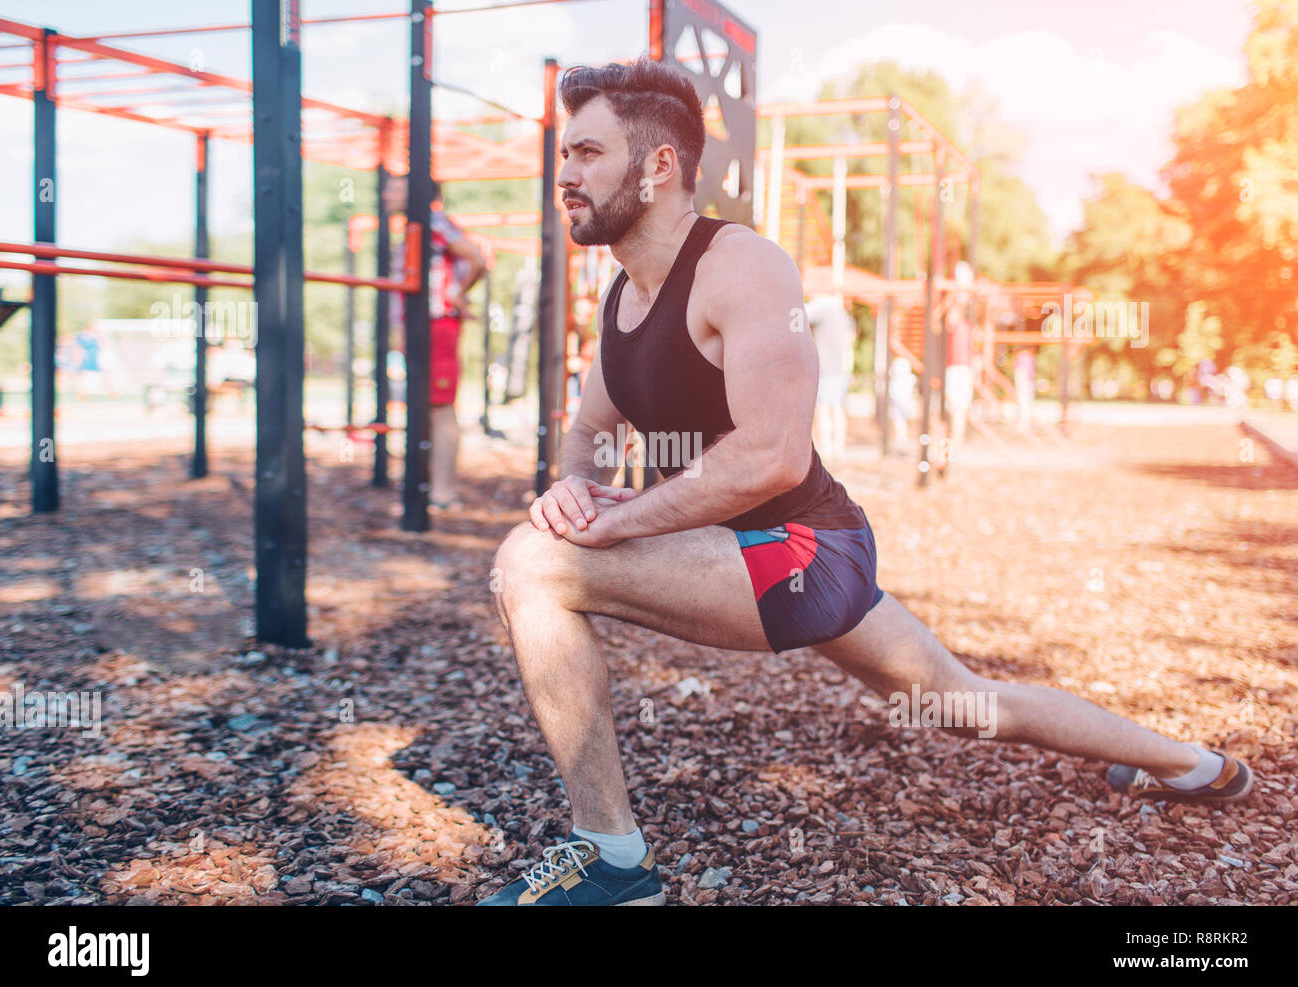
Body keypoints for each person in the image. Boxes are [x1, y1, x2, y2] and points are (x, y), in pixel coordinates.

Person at [476, 58, 1253, 907]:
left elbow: (771, 457)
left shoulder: (742, 267)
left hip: (810, 550)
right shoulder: (626, 293)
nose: (566, 174)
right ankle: (1195, 765)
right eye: (564, 154)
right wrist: (577, 490)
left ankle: (616, 866)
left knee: (534, 565)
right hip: (738, 550)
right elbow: (589, 430)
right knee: (965, 704)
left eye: (588, 152)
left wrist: (621, 525)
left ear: (659, 165)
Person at [384, 177, 487, 510]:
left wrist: (457, 295)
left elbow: (475, 258)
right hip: (421, 325)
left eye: (396, 187)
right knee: (424, 405)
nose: (387, 193)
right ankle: (424, 485)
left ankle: (443, 492)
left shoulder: (433, 223)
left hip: (437, 324)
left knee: (441, 407)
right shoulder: (418, 228)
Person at [804, 294, 855, 466]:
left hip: (826, 367)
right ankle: (838, 447)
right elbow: (850, 339)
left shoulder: (823, 309)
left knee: (824, 408)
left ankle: (826, 447)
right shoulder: (845, 317)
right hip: (841, 368)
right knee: (837, 408)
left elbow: (802, 314)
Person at [943, 293, 974, 458]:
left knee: (959, 413)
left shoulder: (967, 327)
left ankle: (955, 449)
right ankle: (948, 450)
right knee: (948, 413)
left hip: (962, 371)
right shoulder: (948, 331)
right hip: (951, 371)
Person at [1014, 346, 1036, 431]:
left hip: (1024, 384)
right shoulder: (1029, 358)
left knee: (1024, 403)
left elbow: (1020, 373)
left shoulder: (1023, 358)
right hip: (1027, 383)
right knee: (1026, 404)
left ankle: (1024, 424)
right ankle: (1025, 423)